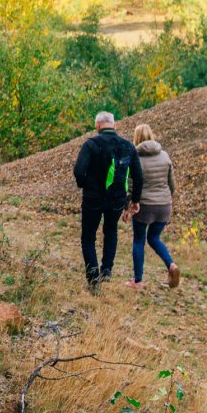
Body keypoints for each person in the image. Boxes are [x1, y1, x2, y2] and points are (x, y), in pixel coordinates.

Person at [72, 111, 142, 292]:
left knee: (88, 236)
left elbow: (79, 171)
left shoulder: (91, 144)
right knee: (111, 231)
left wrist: (85, 185)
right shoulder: (128, 146)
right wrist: (134, 200)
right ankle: (107, 270)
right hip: (117, 198)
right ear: (114, 124)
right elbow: (139, 176)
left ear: (97, 126)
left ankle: (93, 279)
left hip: (93, 198)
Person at [128, 124, 179, 289]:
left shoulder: (135, 157)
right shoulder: (164, 155)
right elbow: (173, 185)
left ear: (136, 138)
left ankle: (137, 281)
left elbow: (131, 185)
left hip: (144, 206)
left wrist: (128, 204)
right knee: (154, 238)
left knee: (139, 240)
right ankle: (171, 265)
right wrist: (166, 197)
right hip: (164, 205)